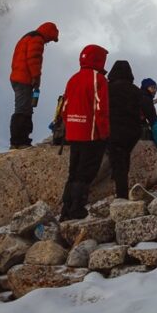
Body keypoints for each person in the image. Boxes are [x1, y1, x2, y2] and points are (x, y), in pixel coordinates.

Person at [60, 44, 110, 220]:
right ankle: (77, 208)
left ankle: (66, 209)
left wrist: (70, 125)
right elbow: (100, 109)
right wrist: (104, 133)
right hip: (91, 134)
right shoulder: (99, 79)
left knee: (73, 171)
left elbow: (64, 107)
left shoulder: (73, 78)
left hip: (73, 132)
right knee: (86, 172)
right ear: (98, 59)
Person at [8, 22, 59, 149]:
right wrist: (36, 77)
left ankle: (21, 140)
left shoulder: (27, 37)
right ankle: (19, 141)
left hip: (17, 77)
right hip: (25, 79)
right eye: (51, 39)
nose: (49, 42)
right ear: (48, 34)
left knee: (25, 109)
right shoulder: (37, 39)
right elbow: (33, 59)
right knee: (23, 110)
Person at [106, 60, 143, 200]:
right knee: (124, 160)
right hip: (131, 133)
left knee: (118, 162)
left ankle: (121, 196)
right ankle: (122, 194)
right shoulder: (135, 90)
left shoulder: (107, 88)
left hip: (112, 131)